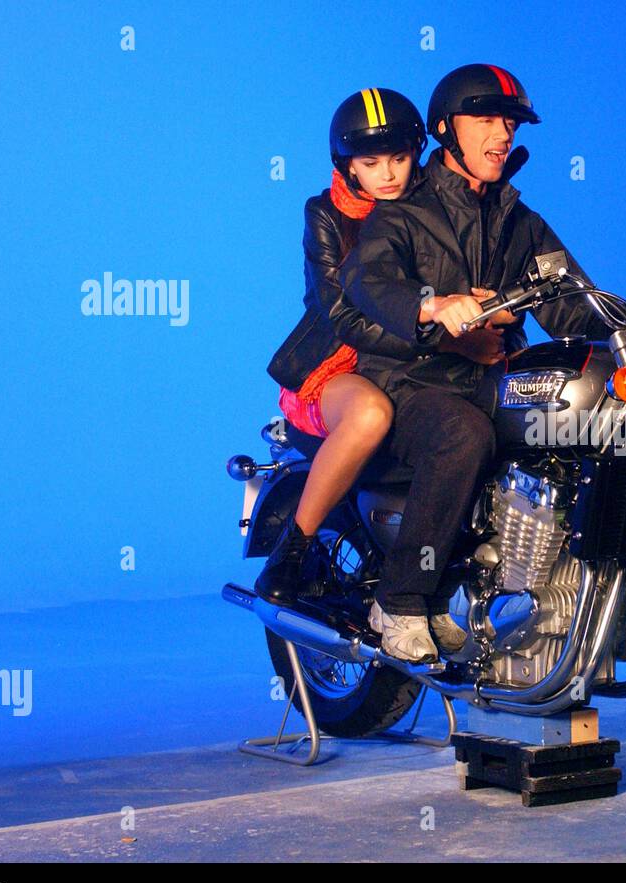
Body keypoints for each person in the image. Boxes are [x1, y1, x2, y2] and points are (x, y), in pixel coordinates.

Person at [340, 63, 608, 663]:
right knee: (462, 434)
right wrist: (433, 306)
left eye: (509, 121)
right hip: (408, 386)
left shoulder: (519, 221)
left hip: (491, 384)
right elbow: (369, 282)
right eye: (486, 119)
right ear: (444, 130)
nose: (502, 133)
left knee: (588, 420)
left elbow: (572, 307)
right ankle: (402, 599)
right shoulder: (402, 214)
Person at [258, 87, 483, 607]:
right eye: (371, 162)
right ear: (348, 165)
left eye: (400, 159)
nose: (388, 174)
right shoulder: (325, 214)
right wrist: (441, 338)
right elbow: (343, 315)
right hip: (339, 361)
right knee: (368, 415)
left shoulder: (433, 206)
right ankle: (294, 548)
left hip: (414, 367)